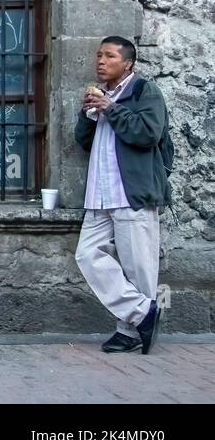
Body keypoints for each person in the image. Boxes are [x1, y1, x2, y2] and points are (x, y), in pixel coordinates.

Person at [74, 36, 171, 355]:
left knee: (139, 268)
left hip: (132, 193)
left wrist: (111, 109)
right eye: (99, 55)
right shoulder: (102, 95)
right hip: (100, 195)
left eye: (110, 56)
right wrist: (88, 115)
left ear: (127, 63)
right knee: (87, 254)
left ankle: (128, 332)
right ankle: (143, 313)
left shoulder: (144, 92)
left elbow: (147, 134)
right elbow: (84, 141)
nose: (101, 60)